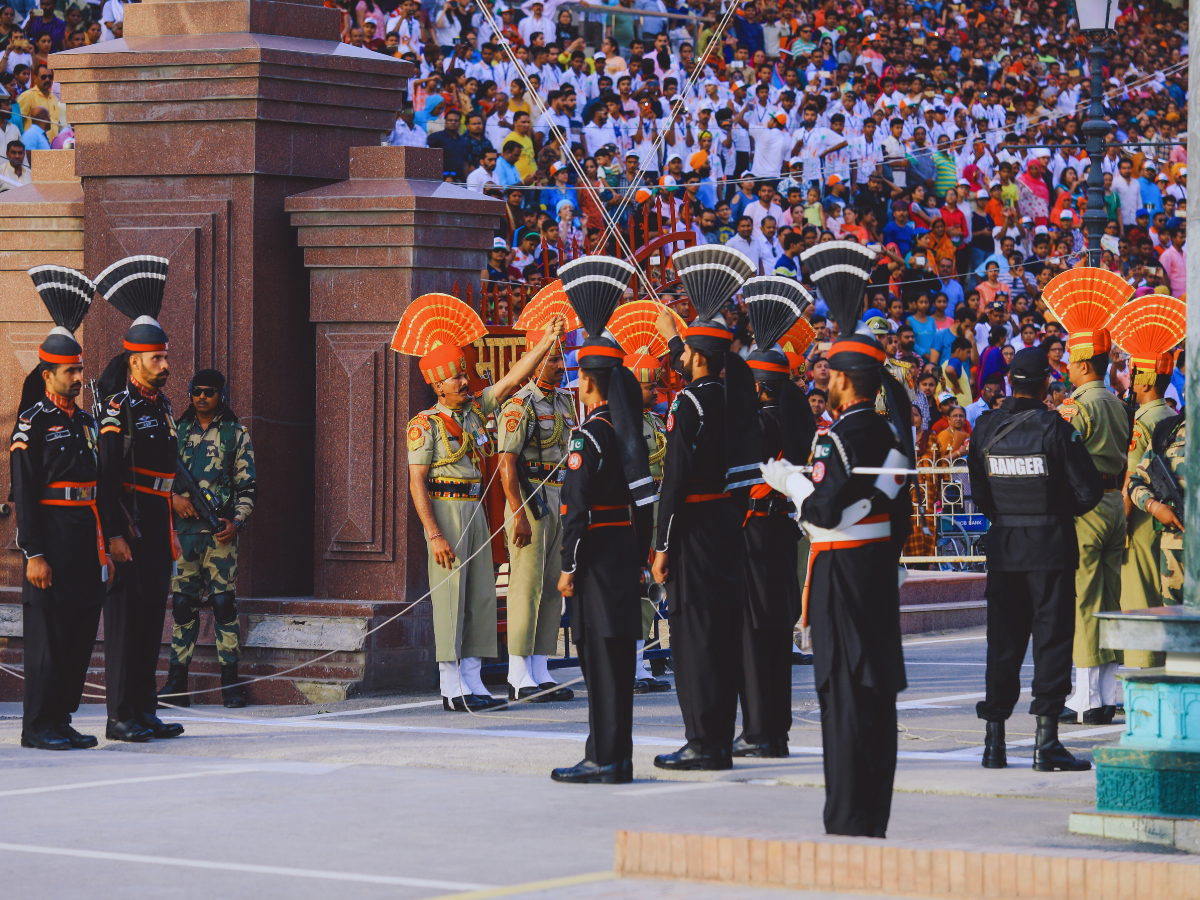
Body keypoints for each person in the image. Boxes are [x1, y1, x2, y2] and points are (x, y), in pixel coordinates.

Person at [762, 332, 909, 837]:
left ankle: (846, 816)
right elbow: (895, 511)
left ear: (843, 380)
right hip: (876, 572)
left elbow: (823, 510)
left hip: (840, 575)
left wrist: (791, 483)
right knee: (875, 692)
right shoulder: (891, 437)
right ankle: (873, 815)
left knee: (841, 696)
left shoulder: (836, 438)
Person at [399, 294, 564, 711]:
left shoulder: (474, 412)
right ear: (437, 385)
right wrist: (433, 532)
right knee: (451, 597)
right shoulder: (424, 425)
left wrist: (546, 341)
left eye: (462, 375)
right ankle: (451, 687)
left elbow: (512, 381)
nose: (463, 382)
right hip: (446, 510)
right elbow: (417, 482)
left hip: (475, 508)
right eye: (455, 379)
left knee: (480, 597)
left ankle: (473, 683)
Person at [967, 348, 1101, 772]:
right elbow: (1089, 492)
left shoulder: (984, 426)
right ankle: (1046, 745)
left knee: (1002, 645)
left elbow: (980, 494)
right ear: (1046, 383)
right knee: (1052, 643)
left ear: (1010, 381)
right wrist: (1053, 514)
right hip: (1049, 549)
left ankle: (995, 744)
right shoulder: (1055, 428)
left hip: (1005, 547)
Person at [651, 259, 761, 771]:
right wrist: (678, 338)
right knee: (721, 635)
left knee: (693, 639)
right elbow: (701, 366)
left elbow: (674, 481)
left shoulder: (688, 405)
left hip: (693, 530)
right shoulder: (734, 396)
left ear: (697, 357)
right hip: (727, 529)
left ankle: (700, 741)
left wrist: (662, 544)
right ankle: (718, 738)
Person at [551, 258, 653, 783]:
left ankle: (603, 757)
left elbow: (575, 507)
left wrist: (567, 565)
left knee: (598, 661)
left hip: (593, 555)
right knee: (617, 657)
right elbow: (641, 500)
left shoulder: (588, 436)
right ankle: (616, 755)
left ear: (588, 383)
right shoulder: (625, 428)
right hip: (623, 551)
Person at [12, 265, 106, 750]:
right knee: (47, 642)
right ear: (48, 374)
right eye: (69, 371)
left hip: (83, 536)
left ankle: (62, 717)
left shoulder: (88, 422)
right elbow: (24, 493)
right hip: (49, 533)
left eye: (79, 369)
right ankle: (38, 726)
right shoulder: (31, 425)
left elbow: (100, 486)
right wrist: (33, 553)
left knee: (79, 628)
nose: (77, 377)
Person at [96, 255, 186, 742]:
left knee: (153, 616)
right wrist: (113, 533)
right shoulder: (119, 408)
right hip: (128, 521)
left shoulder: (164, 405)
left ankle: (145, 710)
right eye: (157, 358)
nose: (166, 365)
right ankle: (120, 716)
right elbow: (106, 477)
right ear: (135, 360)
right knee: (127, 621)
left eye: (166, 356)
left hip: (157, 518)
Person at [737, 284, 816, 758]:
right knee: (776, 638)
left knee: (755, 637)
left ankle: (757, 731)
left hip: (758, 531)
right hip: (784, 530)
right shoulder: (796, 413)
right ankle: (775, 731)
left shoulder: (761, 423)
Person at [158, 369, 257, 710]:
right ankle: (176, 684)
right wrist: (173, 499)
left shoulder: (235, 434)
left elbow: (248, 487)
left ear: (221, 395)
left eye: (209, 392)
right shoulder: (176, 431)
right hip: (184, 535)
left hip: (219, 536)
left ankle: (230, 684)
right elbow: (157, 475)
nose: (202, 397)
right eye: (197, 391)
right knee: (183, 606)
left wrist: (237, 522)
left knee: (223, 606)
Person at [496, 325, 576, 702]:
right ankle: (517, 672)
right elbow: (507, 464)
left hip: (558, 496)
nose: (562, 366)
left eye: (562, 358)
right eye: (554, 359)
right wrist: (518, 514)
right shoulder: (519, 405)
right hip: (531, 499)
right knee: (526, 587)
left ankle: (541, 669)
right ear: (533, 364)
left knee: (550, 588)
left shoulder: (563, 401)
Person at [1056, 320, 1130, 725]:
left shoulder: (1077, 406)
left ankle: (1084, 699)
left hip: (1084, 507)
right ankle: (1106, 693)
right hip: (1114, 504)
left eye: (1071, 359)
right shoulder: (1118, 402)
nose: (1067, 366)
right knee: (1110, 601)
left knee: (1084, 600)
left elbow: (1062, 456)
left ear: (1085, 363)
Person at [623, 343, 670, 694]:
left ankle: (641, 661)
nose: (655, 391)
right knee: (633, 585)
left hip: (655, 506)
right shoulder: (620, 423)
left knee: (651, 586)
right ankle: (632, 664)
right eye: (648, 385)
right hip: (631, 509)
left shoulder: (654, 422)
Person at [1127, 413, 1185, 607]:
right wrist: (1155, 507)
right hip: (1176, 552)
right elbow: (1136, 481)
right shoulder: (1169, 429)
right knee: (1176, 626)